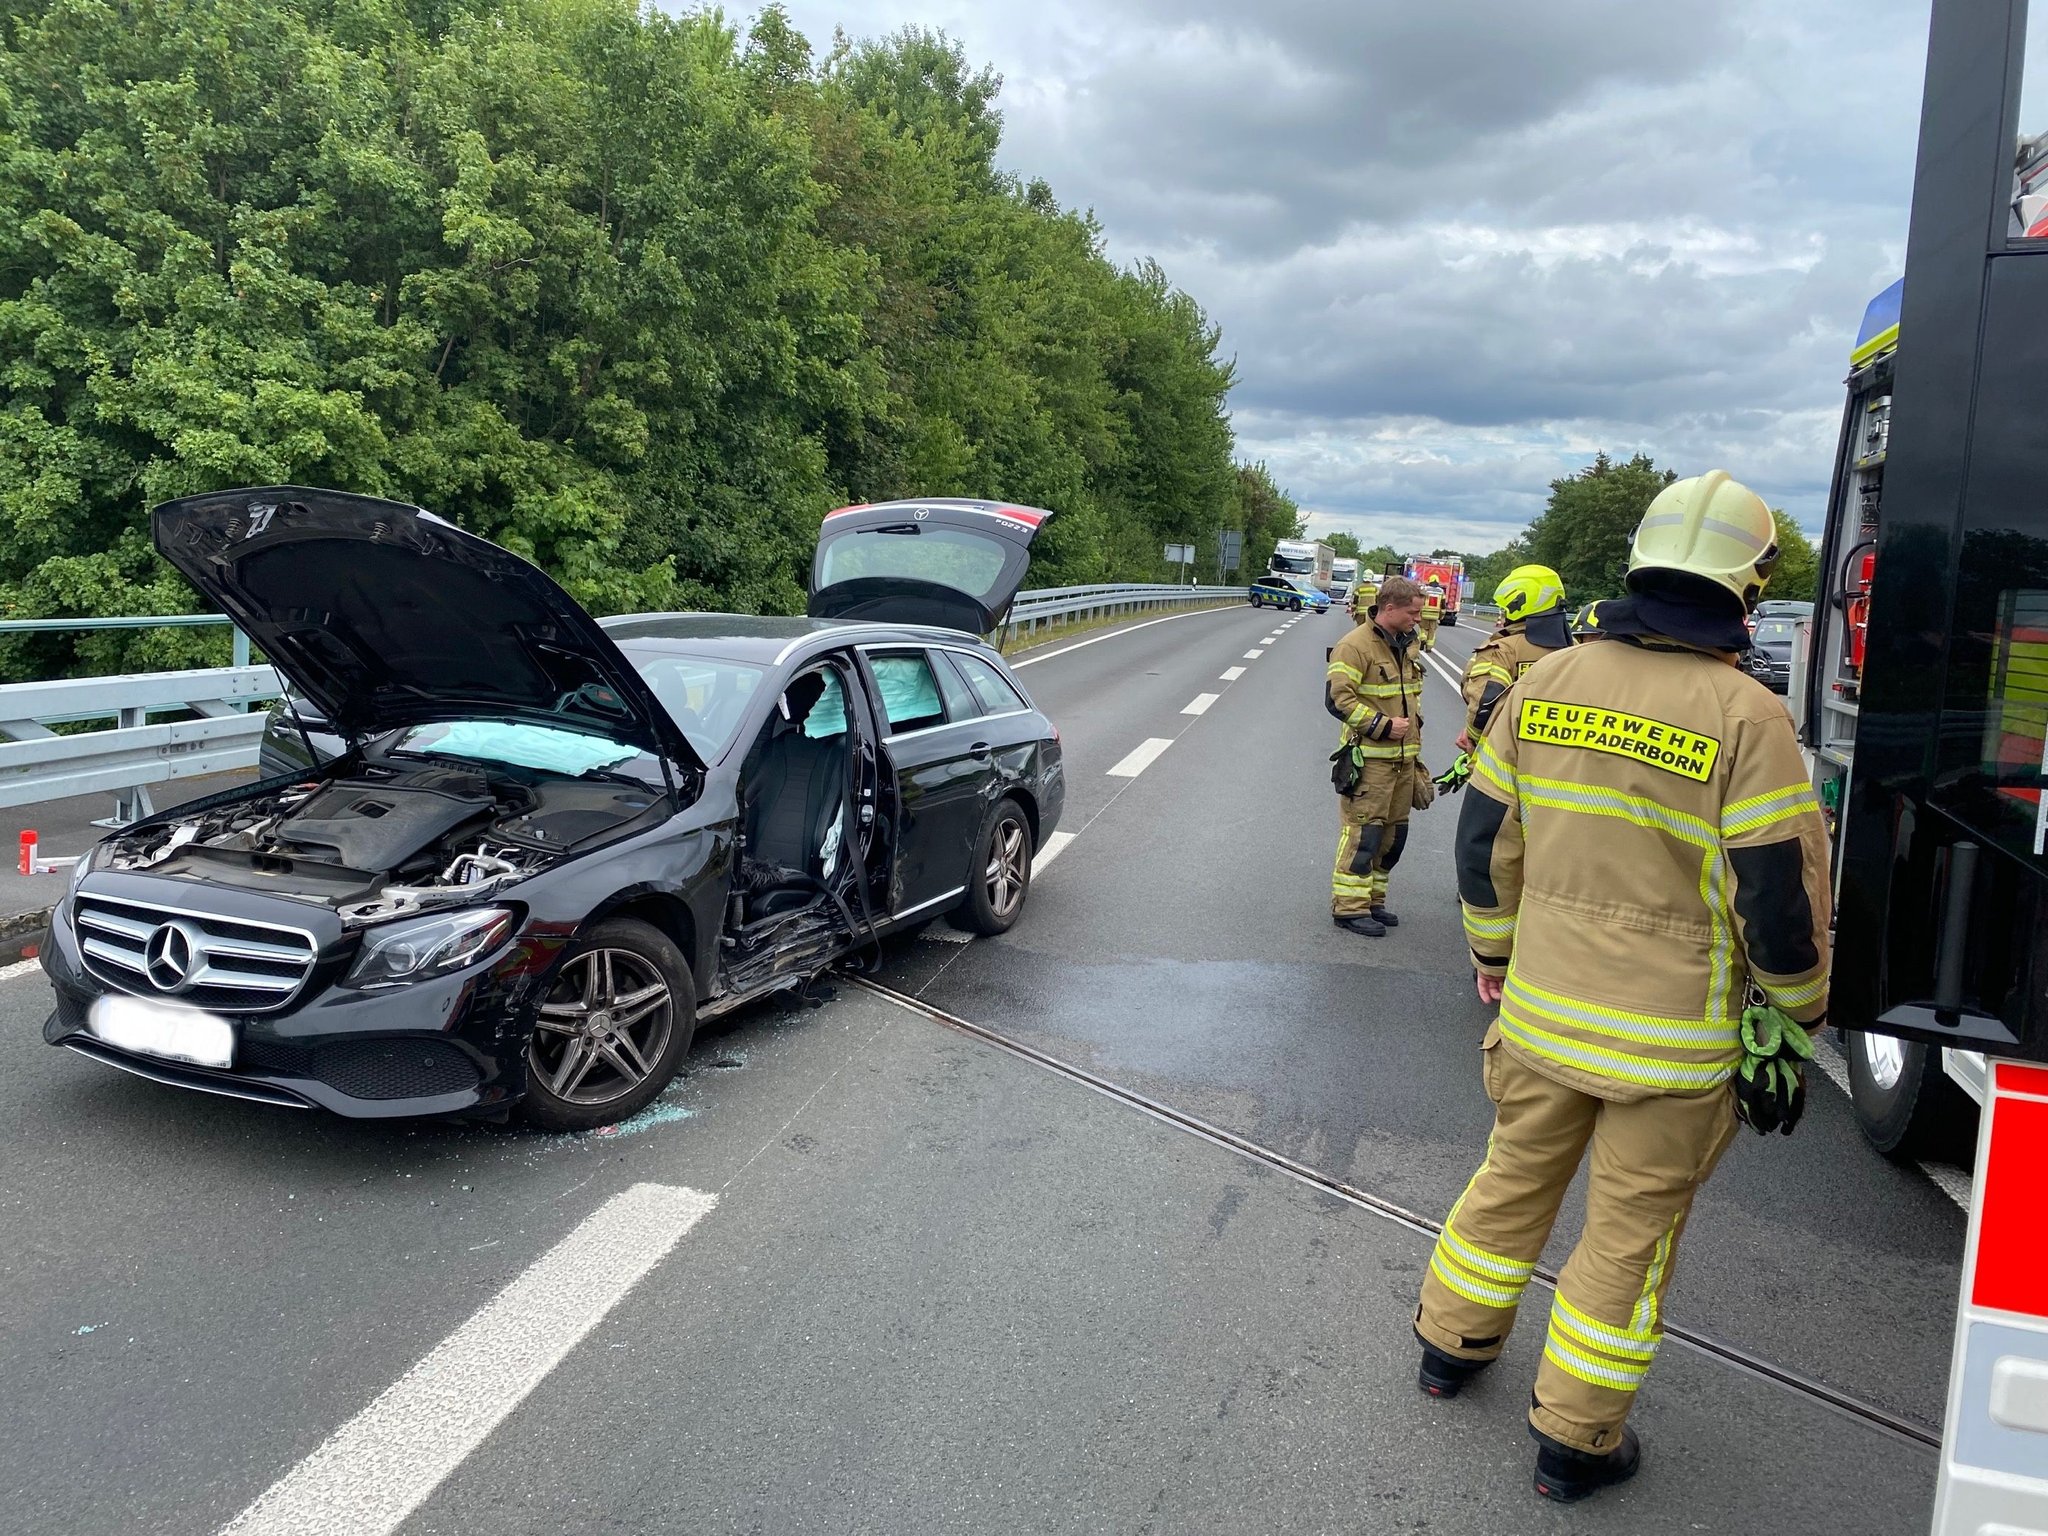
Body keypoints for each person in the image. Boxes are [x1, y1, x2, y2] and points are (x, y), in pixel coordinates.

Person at [1413, 471, 1831, 1503]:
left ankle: (1448, 1344)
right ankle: (1575, 1440)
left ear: (1638, 561)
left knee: (1507, 1180)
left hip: (1539, 1016)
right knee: (1623, 1241)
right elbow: (1774, 898)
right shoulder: (1749, 716)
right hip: (1669, 1054)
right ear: (1749, 582)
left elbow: (1482, 842)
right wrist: (1797, 1011)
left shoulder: (1546, 681)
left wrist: (1493, 958)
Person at [1324, 575, 1427, 936]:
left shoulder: (1407, 645)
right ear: (1389, 608)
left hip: (1403, 762)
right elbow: (1338, 700)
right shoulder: (1354, 646)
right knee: (1364, 835)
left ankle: (1373, 902)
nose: (1418, 619)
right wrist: (1382, 726)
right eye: (1413, 612)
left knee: (1392, 839)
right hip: (1369, 762)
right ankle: (1349, 909)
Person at [1455, 564, 1571, 753]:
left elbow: (1484, 703)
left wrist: (1473, 739)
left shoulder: (1503, 650)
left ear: (1520, 600)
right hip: (1560, 755)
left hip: (1505, 753)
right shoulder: (1575, 647)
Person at [1417, 577, 1447, 649]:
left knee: (1422, 627)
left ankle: (1423, 638)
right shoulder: (1441, 591)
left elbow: (1420, 600)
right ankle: (1429, 647)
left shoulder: (1425, 589)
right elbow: (1443, 604)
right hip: (1435, 614)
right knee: (1432, 630)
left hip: (1424, 613)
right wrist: (1442, 614)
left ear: (1429, 581)